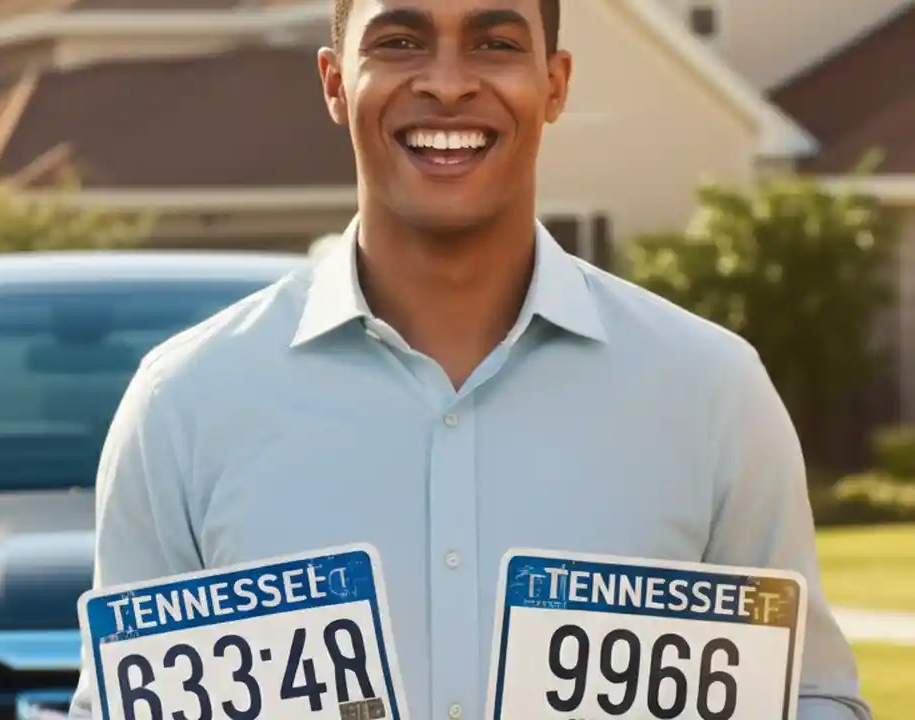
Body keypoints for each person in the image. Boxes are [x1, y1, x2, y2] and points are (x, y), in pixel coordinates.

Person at [70, 0, 869, 717]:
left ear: (554, 84)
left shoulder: (712, 393)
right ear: (334, 83)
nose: (447, 84)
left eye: (493, 43)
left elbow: (810, 697)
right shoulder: (185, 404)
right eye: (401, 40)